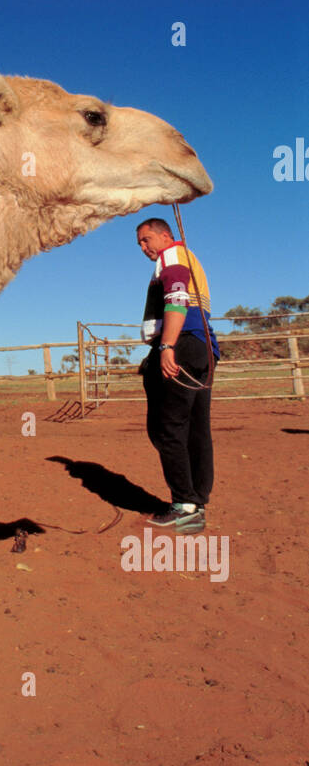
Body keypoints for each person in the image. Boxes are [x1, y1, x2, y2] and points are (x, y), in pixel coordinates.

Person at [136, 218, 220, 531]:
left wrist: (166, 346)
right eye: (140, 244)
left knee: (166, 427)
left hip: (182, 343)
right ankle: (195, 501)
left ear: (165, 235)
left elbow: (177, 300)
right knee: (196, 427)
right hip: (202, 348)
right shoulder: (188, 257)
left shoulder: (171, 256)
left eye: (147, 240)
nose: (144, 248)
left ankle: (184, 503)